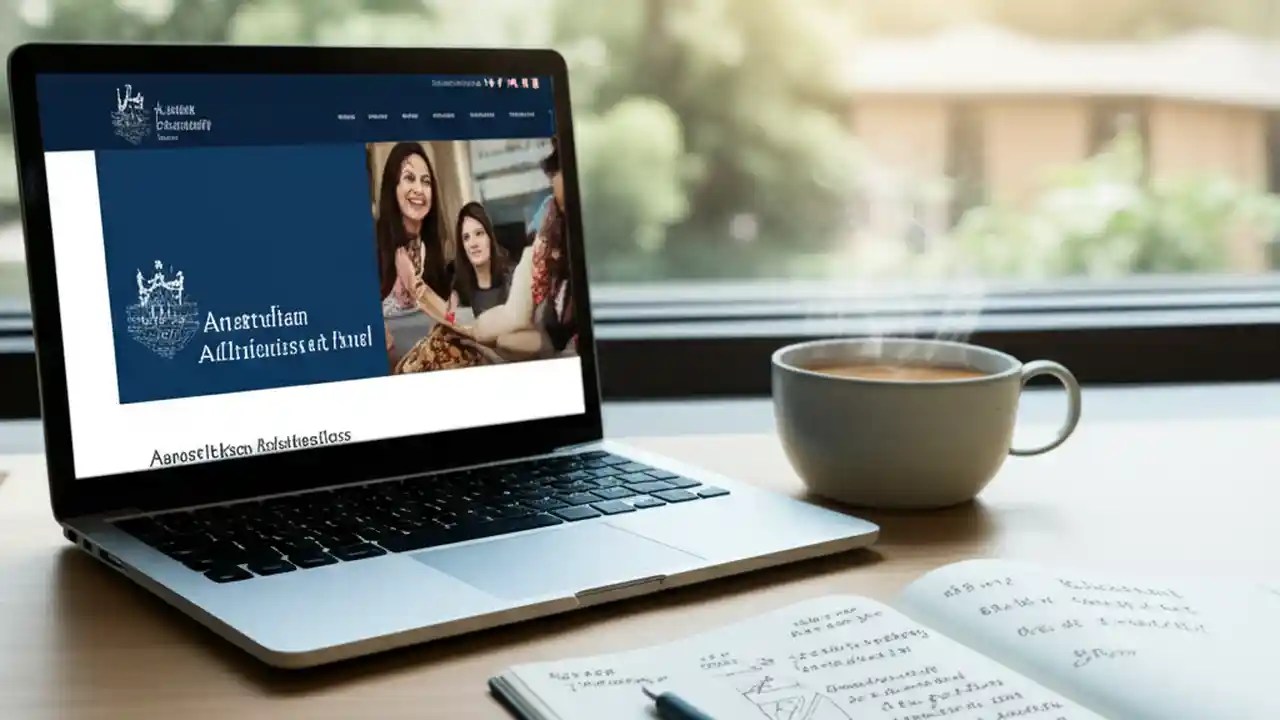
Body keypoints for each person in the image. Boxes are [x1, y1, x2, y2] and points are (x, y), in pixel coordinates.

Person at [472, 140, 576, 359]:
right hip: (546, 323)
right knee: (497, 338)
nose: (473, 242)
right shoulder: (549, 222)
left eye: (479, 233)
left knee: (503, 339)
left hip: (558, 334)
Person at [449, 201, 512, 318]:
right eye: (466, 238)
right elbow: (449, 324)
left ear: (490, 237)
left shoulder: (512, 281)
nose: (473, 244)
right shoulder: (458, 294)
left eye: (479, 233)